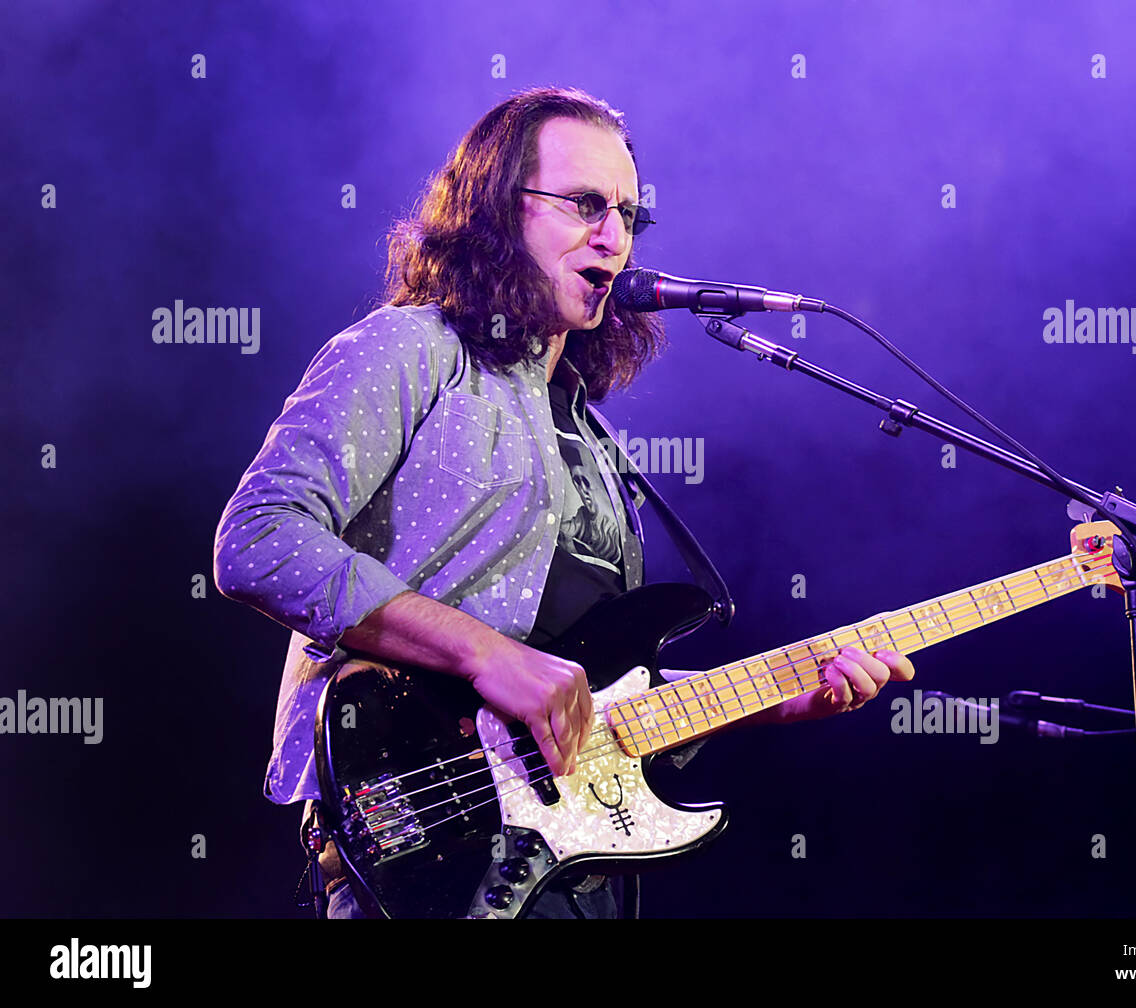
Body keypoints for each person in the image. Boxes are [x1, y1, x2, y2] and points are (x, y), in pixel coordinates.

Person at [213, 85, 913, 919]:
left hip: (568, 872)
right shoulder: (410, 348)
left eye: (628, 215)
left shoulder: (587, 433)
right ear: (496, 209)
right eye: (585, 204)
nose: (613, 236)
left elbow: (587, 698)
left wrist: (769, 702)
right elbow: (257, 539)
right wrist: (482, 652)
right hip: (426, 840)